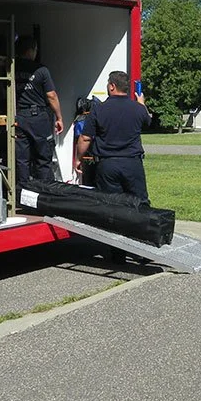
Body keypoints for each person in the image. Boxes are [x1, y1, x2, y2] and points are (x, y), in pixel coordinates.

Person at [75, 70, 152, 263]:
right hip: (132, 163)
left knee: (112, 208)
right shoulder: (137, 109)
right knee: (140, 204)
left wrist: (78, 158)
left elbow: (85, 138)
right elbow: (147, 120)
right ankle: (144, 250)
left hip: (108, 165)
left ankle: (118, 253)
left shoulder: (99, 110)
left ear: (111, 86)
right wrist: (142, 103)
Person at [14, 35, 63, 191]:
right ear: (31, 50)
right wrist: (59, 117)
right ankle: (43, 194)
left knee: (22, 159)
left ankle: (23, 193)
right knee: (43, 157)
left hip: (19, 117)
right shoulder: (41, 70)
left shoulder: (12, 68)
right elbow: (51, 95)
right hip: (37, 117)